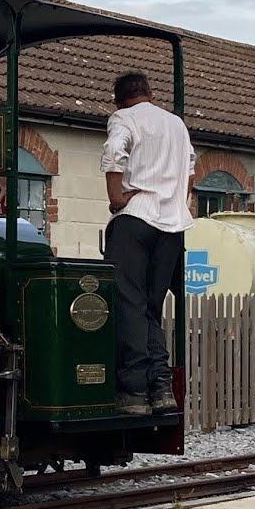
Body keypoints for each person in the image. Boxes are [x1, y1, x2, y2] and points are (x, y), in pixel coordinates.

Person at [100, 71, 194, 415]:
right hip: (172, 226)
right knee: (151, 309)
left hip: (136, 219)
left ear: (118, 99)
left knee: (128, 306)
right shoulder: (176, 125)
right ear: (150, 93)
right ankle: (162, 389)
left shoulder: (123, 118)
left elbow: (114, 152)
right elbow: (192, 168)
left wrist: (116, 196)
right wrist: (176, 201)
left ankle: (133, 394)